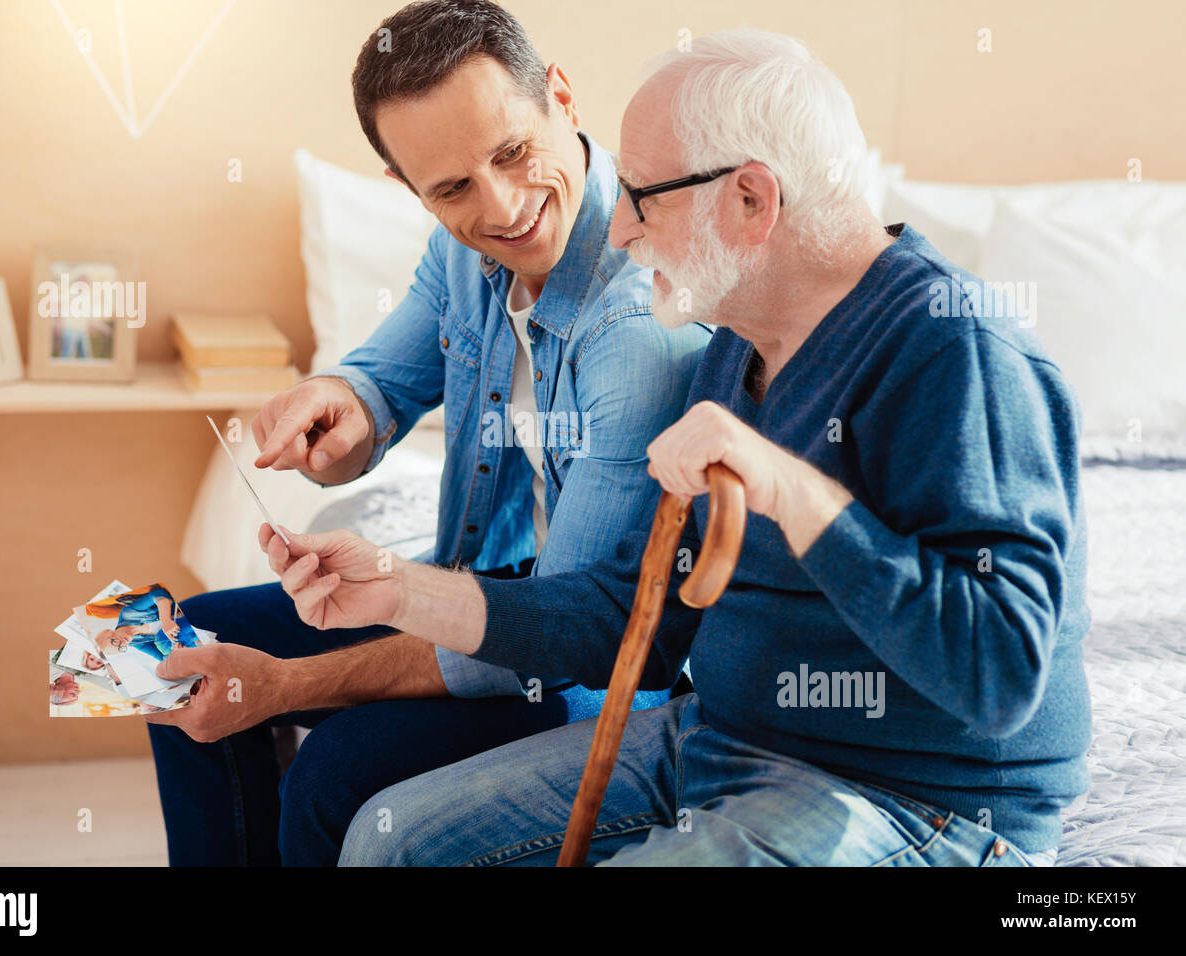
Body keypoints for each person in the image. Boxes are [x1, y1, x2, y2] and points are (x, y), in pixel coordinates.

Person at [265, 28, 1090, 867]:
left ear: (750, 200)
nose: (617, 229)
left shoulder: (955, 353)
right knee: (387, 841)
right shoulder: (737, 352)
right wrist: (397, 590)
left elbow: (1003, 676)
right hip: (720, 738)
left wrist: (787, 487)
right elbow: (629, 623)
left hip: (913, 801)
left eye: (641, 196)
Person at [144, 0, 710, 866]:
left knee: (335, 773)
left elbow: (566, 640)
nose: (505, 206)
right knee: (183, 648)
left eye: (514, 152)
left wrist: (288, 687)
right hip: (482, 588)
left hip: (590, 661)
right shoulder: (464, 244)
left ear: (560, 94)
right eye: (451, 188)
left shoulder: (635, 331)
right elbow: (385, 379)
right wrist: (337, 411)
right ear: (410, 190)